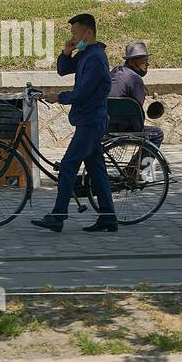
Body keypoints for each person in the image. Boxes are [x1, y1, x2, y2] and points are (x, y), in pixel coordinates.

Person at [31, 13, 119, 234]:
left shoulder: (96, 58)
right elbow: (62, 70)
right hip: (89, 121)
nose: (72, 36)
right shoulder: (85, 54)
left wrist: (58, 97)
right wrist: (66, 52)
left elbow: (82, 93)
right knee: (97, 171)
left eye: (75, 33)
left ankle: (58, 216)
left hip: (91, 122)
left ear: (88, 33)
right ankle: (108, 218)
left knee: (69, 166)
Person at [108, 42, 164, 146]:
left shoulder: (113, 73)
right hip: (125, 128)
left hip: (104, 126)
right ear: (132, 62)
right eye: (144, 61)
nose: (147, 64)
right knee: (157, 134)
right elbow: (137, 110)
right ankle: (142, 163)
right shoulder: (135, 79)